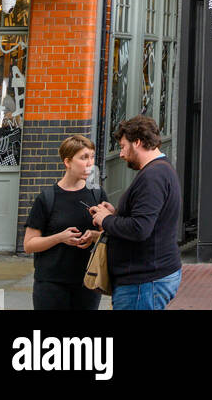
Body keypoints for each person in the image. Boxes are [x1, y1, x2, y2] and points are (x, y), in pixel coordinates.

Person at [89, 115, 182, 311]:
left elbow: (140, 229)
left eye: (123, 146)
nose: (121, 154)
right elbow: (149, 218)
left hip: (144, 282)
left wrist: (106, 220)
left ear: (137, 142)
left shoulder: (152, 177)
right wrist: (116, 214)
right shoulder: (158, 170)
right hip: (147, 278)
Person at [23, 134, 105, 311]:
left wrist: (94, 236)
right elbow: (29, 245)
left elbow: (107, 237)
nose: (90, 163)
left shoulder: (97, 195)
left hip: (88, 282)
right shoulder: (47, 198)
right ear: (67, 162)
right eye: (84, 157)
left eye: (92, 157)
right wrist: (59, 238)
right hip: (51, 284)